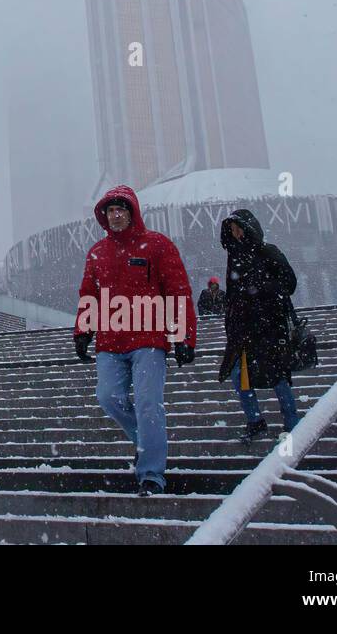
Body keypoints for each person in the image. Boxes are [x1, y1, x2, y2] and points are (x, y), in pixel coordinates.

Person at [73, 185, 197, 496]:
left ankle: (151, 474)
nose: (115, 215)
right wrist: (83, 330)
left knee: (147, 404)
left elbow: (177, 290)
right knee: (108, 397)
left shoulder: (157, 245)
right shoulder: (97, 253)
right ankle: (147, 441)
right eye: (110, 211)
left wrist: (182, 334)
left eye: (121, 210)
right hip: (110, 341)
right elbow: (89, 294)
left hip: (148, 339)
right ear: (105, 216)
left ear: (132, 213)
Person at [217, 208, 302, 440]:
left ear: (249, 228)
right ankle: (255, 421)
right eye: (232, 230)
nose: (235, 234)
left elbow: (289, 283)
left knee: (277, 376)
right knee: (238, 375)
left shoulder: (268, 251)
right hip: (244, 330)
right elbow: (234, 295)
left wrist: (261, 288)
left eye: (239, 228)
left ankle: (292, 422)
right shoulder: (233, 259)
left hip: (270, 326)